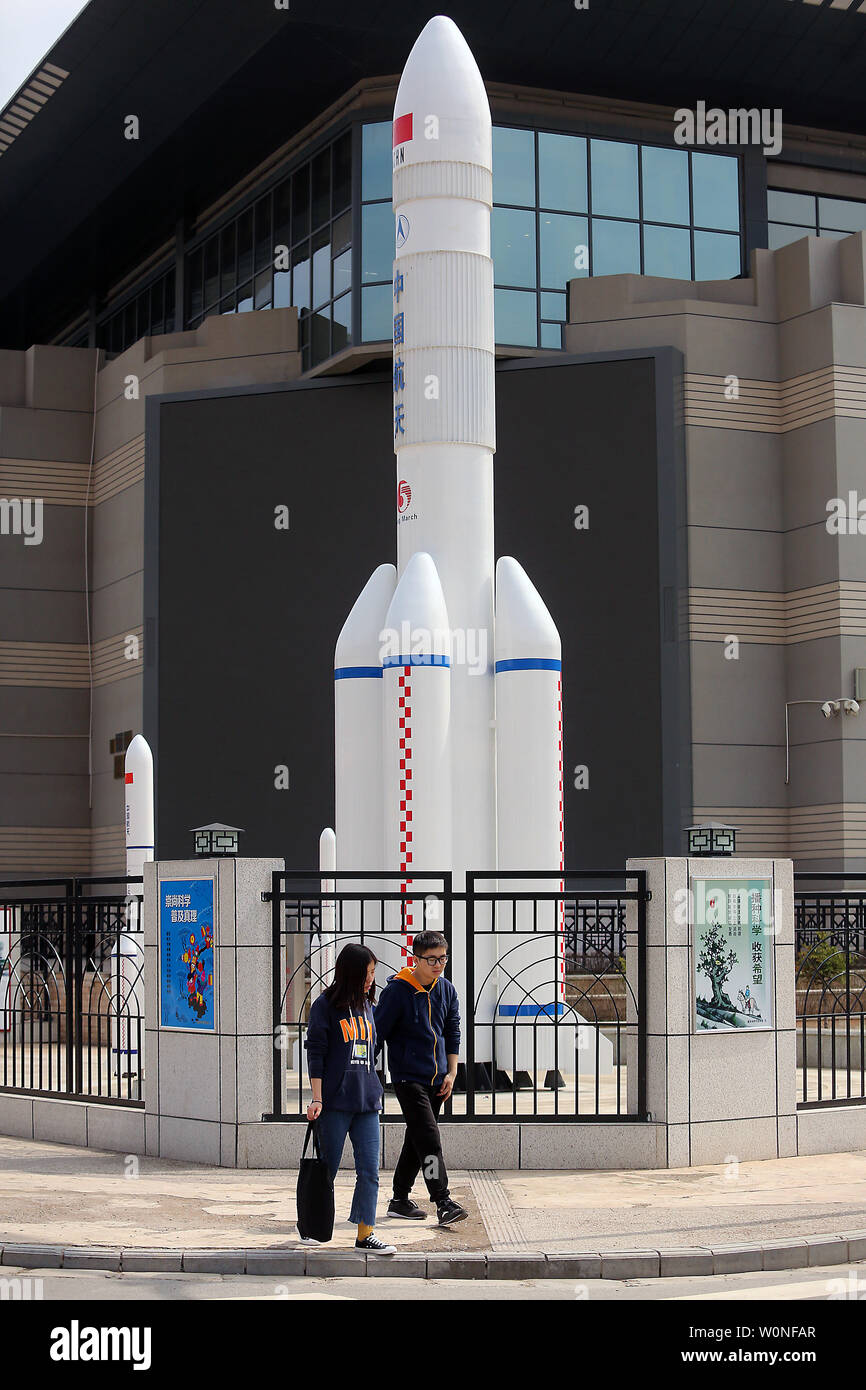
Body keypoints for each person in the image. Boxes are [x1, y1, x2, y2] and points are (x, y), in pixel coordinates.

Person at [305, 942, 396, 1255]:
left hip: (367, 1102)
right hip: (334, 1103)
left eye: (373, 972)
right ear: (352, 973)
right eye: (367, 973)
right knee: (325, 1171)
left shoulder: (368, 1006)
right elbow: (315, 1053)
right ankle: (312, 1225)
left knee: (369, 1171)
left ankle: (365, 1234)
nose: (372, 978)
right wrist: (317, 1098)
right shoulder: (324, 1006)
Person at [374, 930, 468, 1227]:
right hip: (407, 1078)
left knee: (416, 1139)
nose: (438, 964)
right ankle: (442, 1200)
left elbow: (452, 1031)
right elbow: (378, 1034)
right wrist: (366, 1074)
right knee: (429, 1138)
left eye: (443, 958)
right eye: (432, 959)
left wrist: (452, 1072)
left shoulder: (447, 990)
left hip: (438, 1079)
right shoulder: (397, 991)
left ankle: (399, 1199)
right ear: (416, 959)